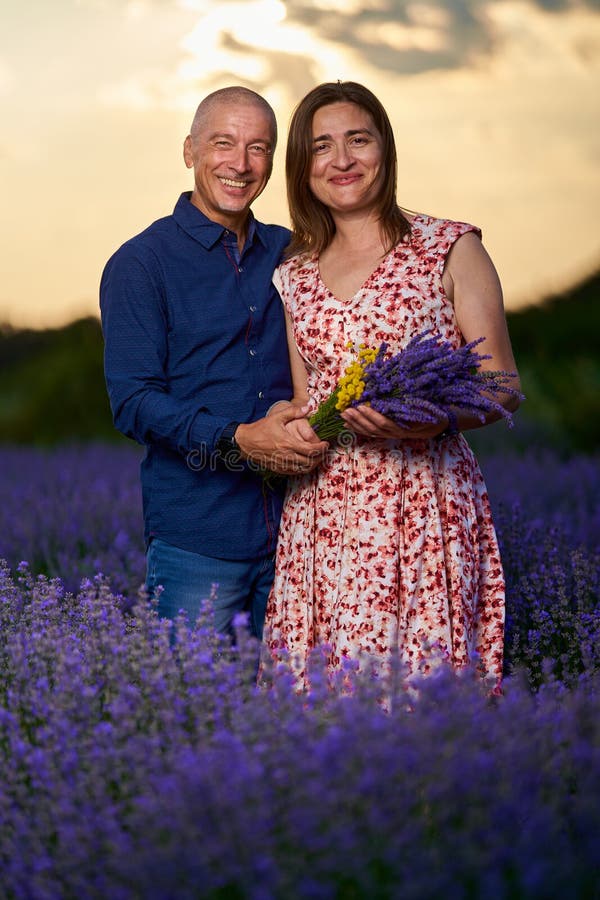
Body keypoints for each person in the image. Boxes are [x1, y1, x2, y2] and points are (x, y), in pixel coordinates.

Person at [260, 81, 522, 693]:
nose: (341, 160)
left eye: (358, 139)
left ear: (385, 149)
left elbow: (503, 384)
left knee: (423, 692)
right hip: (323, 514)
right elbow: (307, 397)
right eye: (321, 146)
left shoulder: (450, 247)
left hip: (424, 504)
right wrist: (288, 424)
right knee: (320, 697)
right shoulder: (293, 276)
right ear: (302, 166)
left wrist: (436, 419)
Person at [100, 86, 327, 641]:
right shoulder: (140, 264)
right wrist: (238, 439)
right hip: (197, 541)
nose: (241, 164)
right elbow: (133, 402)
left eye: (258, 148)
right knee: (189, 693)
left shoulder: (292, 253)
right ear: (189, 150)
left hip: (300, 533)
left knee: (296, 695)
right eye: (223, 143)